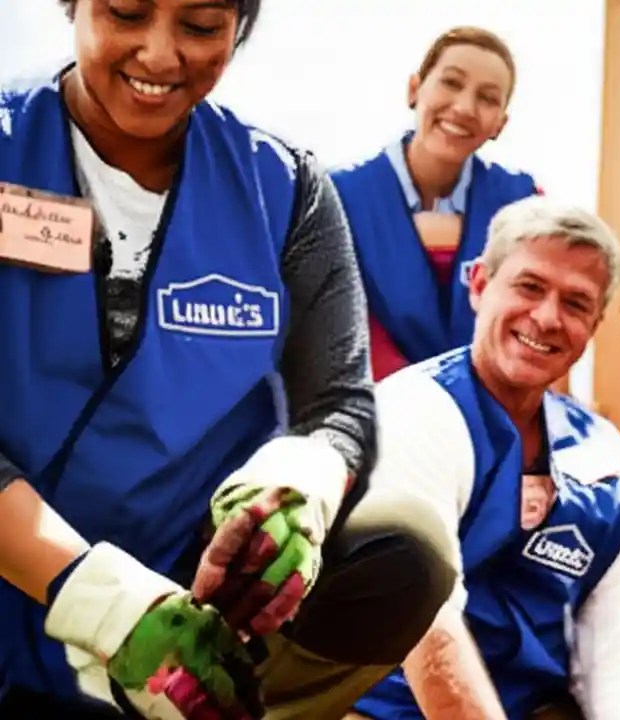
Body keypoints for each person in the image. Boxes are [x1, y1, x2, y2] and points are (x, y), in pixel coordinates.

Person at [0, 2, 455, 718]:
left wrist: (298, 487)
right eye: (125, 11)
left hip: (190, 579)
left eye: (201, 26)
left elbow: (339, 403)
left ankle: (204, 698)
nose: (159, 55)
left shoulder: (286, 190)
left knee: (405, 551)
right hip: (21, 562)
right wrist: (100, 600)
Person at [346, 196, 620, 720]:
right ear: (478, 284)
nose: (546, 317)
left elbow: (615, 660)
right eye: (529, 287)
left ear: (596, 324)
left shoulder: (616, 469)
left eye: (576, 303)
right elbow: (430, 634)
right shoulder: (411, 414)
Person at [331, 26, 542, 383]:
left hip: (492, 409)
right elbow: (335, 330)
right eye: (451, 83)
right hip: (375, 408)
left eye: (487, 98)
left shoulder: (523, 203)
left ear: (500, 124)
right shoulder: (337, 197)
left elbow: (533, 323)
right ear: (414, 90)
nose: (463, 108)